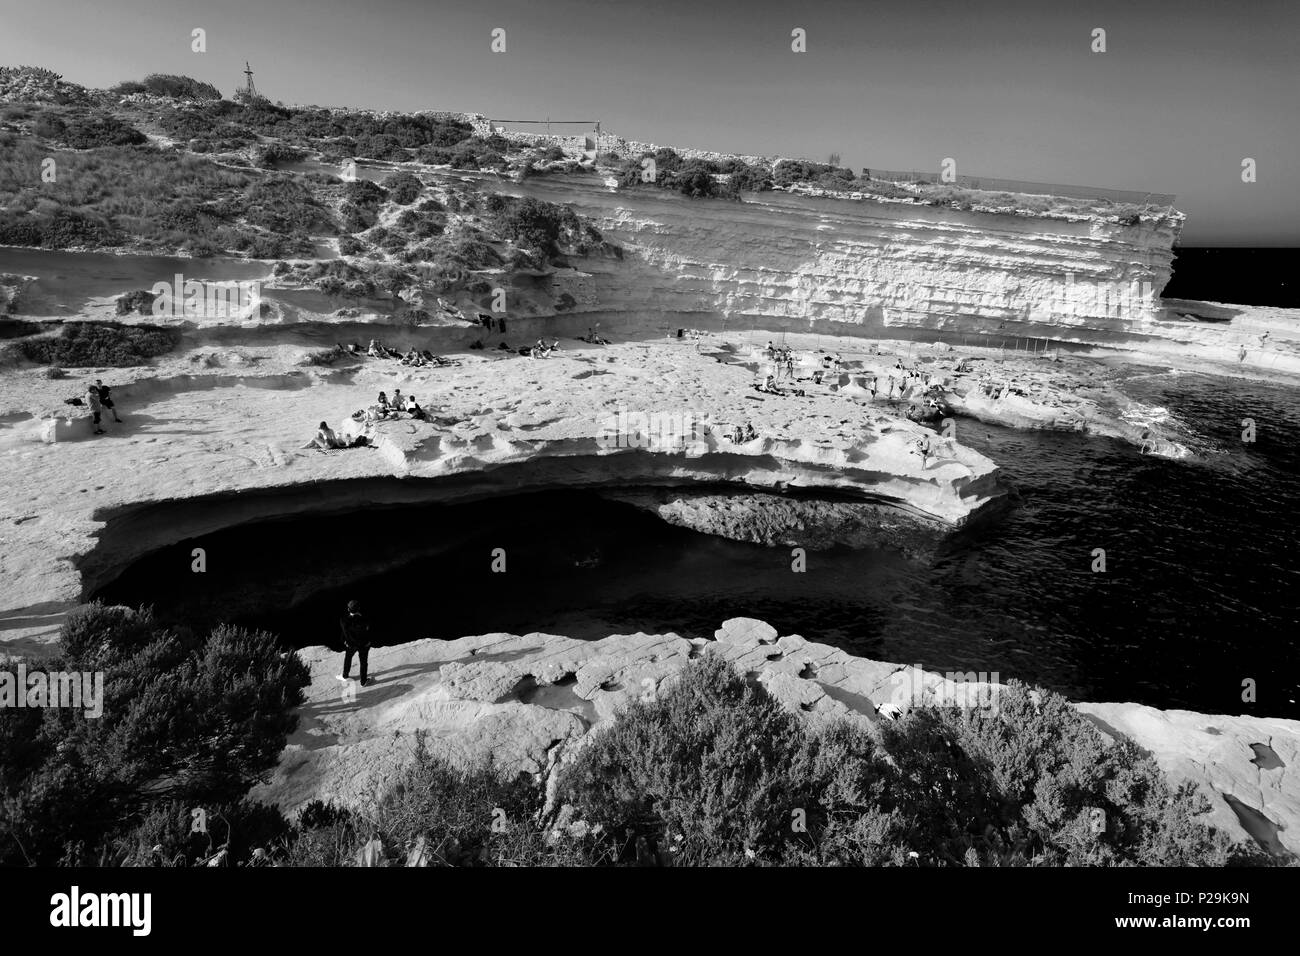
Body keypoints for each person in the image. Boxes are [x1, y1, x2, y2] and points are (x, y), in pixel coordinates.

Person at [339, 600, 371, 686]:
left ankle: (345, 676)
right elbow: (367, 632)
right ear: (359, 608)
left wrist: (344, 641)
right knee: (363, 662)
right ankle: (363, 681)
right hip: (363, 645)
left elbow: (344, 632)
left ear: (348, 609)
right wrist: (368, 642)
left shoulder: (343, 619)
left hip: (350, 645)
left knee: (348, 659)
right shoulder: (364, 619)